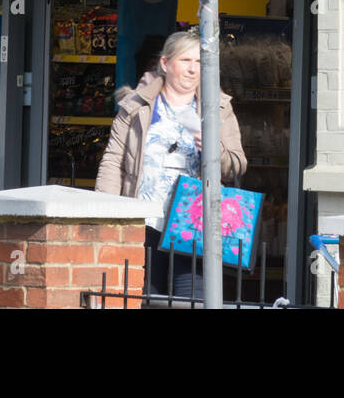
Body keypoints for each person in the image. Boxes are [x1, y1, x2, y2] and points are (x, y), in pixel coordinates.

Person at [94, 30, 247, 297]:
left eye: (200, 62)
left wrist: (215, 152)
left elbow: (237, 164)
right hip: (144, 222)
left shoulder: (219, 107)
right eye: (186, 61)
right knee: (143, 298)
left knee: (193, 301)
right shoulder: (136, 105)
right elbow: (113, 162)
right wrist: (103, 217)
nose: (193, 69)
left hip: (194, 225)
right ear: (165, 64)